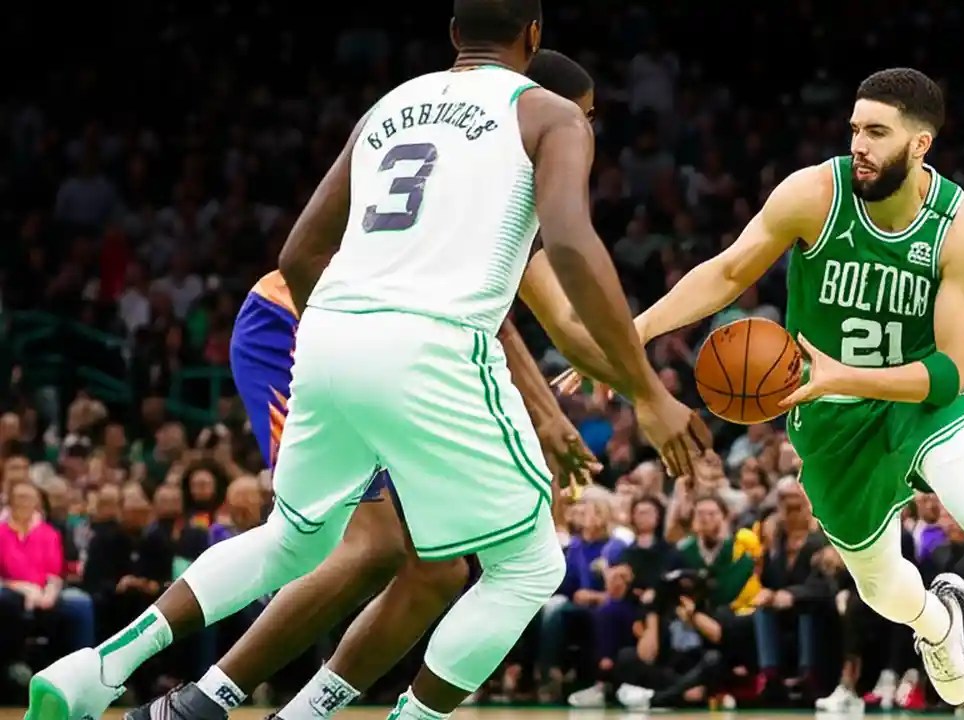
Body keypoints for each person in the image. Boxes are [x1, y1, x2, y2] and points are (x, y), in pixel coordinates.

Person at [27, 1, 709, 718]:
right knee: (526, 566)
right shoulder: (550, 119)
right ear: (533, 37)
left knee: (302, 539)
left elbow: (298, 253)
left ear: (453, 34)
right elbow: (571, 250)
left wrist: (360, 328)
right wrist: (649, 393)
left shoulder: (393, 105)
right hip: (417, 346)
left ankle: (99, 670)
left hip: (326, 331)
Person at [561, 67, 964, 720]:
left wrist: (838, 376)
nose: (858, 143)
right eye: (855, 128)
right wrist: (635, 333)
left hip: (922, 403)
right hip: (827, 419)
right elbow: (730, 269)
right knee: (881, 587)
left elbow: (948, 372)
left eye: (877, 132)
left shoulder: (963, 226)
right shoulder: (812, 194)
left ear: (919, 145)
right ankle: (938, 622)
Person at [99, 49, 602, 720]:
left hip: (391, 350)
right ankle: (199, 702)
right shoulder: (495, 166)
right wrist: (593, 400)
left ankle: (292, 714)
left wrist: (615, 370)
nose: (587, 128)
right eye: (587, 114)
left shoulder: (479, 163)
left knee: (437, 568)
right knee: (368, 544)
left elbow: (520, 321)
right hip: (301, 326)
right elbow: (505, 328)